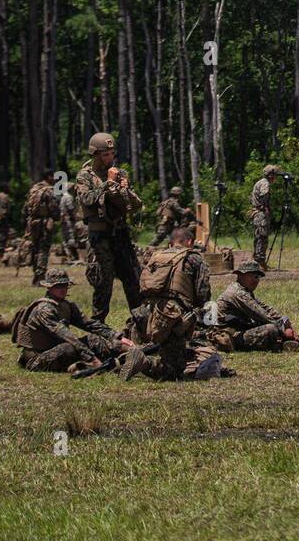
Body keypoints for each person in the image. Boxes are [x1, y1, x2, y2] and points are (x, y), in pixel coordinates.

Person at [121, 227, 212, 381]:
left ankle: (129, 357)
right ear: (190, 242)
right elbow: (203, 294)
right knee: (174, 372)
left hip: (145, 315)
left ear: (170, 243)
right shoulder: (193, 258)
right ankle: (144, 362)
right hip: (171, 318)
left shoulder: (156, 256)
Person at [74, 132, 143, 321]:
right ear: (95, 155)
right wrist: (108, 184)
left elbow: (132, 205)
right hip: (100, 236)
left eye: (112, 154)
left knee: (132, 278)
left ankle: (140, 322)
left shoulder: (120, 173)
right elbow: (87, 199)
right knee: (103, 282)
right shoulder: (85, 176)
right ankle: (98, 324)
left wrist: (125, 189)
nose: (110, 158)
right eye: (106, 154)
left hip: (120, 233)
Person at [12, 268, 132, 373]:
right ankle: (89, 365)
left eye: (65, 285)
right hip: (37, 359)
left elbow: (89, 324)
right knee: (71, 347)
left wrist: (116, 336)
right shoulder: (44, 309)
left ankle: (131, 353)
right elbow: (67, 336)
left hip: (56, 351)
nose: (63, 289)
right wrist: (91, 358)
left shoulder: (66, 305)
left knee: (93, 339)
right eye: (58, 286)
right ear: (49, 287)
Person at [210, 260, 299, 352]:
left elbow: (265, 308)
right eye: (254, 276)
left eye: (258, 277)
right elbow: (259, 314)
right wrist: (282, 328)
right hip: (229, 337)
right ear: (241, 275)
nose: (257, 280)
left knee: (273, 326)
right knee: (271, 329)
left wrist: (284, 320)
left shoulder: (245, 291)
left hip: (241, 330)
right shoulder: (236, 293)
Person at [23, 170, 61, 285]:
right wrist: (56, 217)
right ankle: (40, 277)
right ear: (49, 177)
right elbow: (54, 209)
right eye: (53, 177)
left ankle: (36, 275)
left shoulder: (34, 189)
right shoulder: (48, 191)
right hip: (44, 224)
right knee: (43, 250)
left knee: (35, 249)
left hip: (33, 223)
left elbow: (25, 209)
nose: (55, 180)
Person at [249, 165, 279, 267]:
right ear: (271, 175)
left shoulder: (260, 182)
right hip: (261, 214)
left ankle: (258, 260)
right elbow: (264, 195)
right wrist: (266, 207)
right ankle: (260, 261)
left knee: (258, 237)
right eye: (275, 175)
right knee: (262, 237)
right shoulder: (265, 184)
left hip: (257, 213)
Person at [59, 186, 80, 262]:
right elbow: (71, 209)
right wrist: (76, 218)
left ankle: (69, 256)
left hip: (64, 220)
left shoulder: (63, 197)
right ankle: (74, 256)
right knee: (71, 238)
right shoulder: (69, 197)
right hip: (69, 220)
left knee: (65, 239)